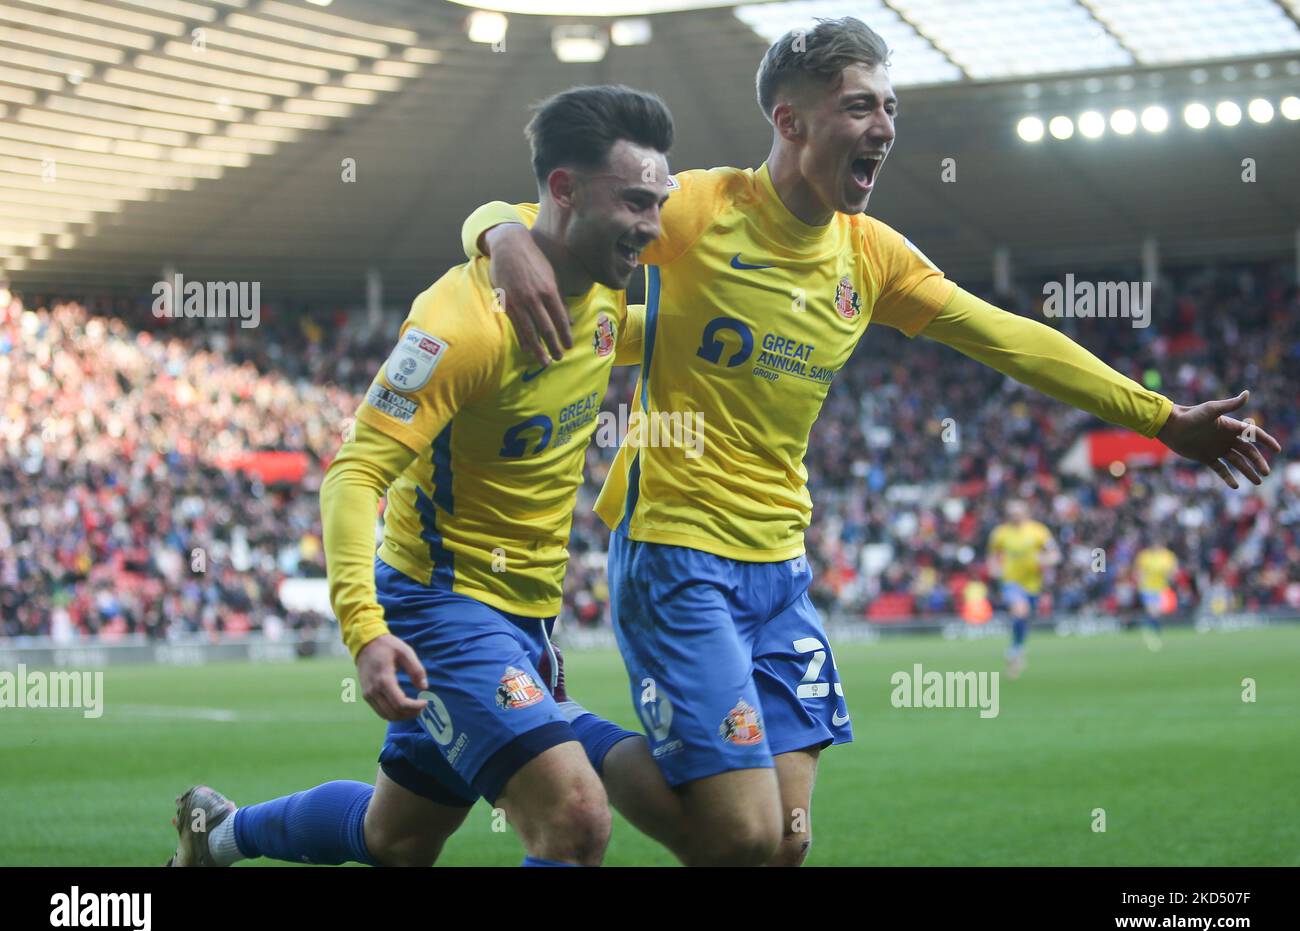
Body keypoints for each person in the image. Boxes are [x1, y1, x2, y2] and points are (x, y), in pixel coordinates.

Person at [459, 18, 1280, 866]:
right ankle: (549, 730)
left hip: (780, 569)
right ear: (791, 122)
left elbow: (1007, 336)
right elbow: (550, 210)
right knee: (737, 839)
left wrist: (1160, 418)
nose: (884, 125)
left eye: (890, 106)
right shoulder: (704, 209)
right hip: (677, 553)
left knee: (782, 844)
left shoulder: (872, 254)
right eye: (859, 106)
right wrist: (503, 237)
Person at [167, 85, 691, 867]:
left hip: (526, 617)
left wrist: (734, 329)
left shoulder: (603, 279)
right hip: (439, 605)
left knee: (397, 838)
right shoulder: (462, 327)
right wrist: (365, 629)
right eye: (635, 203)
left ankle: (219, 839)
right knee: (575, 818)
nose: (652, 226)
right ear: (564, 192)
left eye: (660, 202)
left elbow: (597, 329)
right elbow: (353, 472)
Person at [987, 501, 1059, 678]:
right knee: (1020, 611)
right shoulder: (1000, 533)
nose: (1014, 517)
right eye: (1011, 514)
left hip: (1033, 583)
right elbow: (993, 555)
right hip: (1012, 581)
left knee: (1024, 619)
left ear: (1026, 513)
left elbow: (1054, 554)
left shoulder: (1038, 531)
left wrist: (1045, 560)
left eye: (1017, 514)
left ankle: (1016, 649)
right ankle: (1016, 651)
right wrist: (994, 568)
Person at [1134, 537, 1178, 644]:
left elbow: (1173, 571)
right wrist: (1140, 582)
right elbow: (1138, 571)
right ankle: (1155, 633)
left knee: (1158, 612)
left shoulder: (1168, 556)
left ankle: (1152, 629)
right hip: (1148, 588)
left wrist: (1170, 575)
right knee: (1153, 611)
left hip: (1163, 588)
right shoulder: (1144, 556)